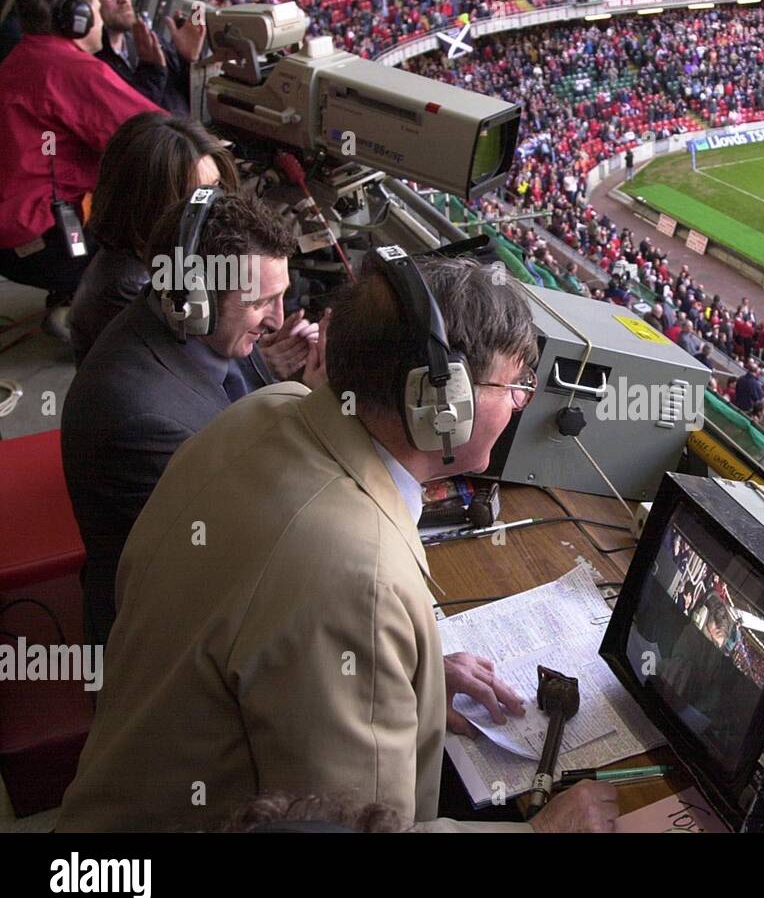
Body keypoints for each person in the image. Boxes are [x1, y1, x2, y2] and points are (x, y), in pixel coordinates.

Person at [58, 253, 618, 833]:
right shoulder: (356, 576)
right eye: (515, 386)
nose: (522, 402)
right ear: (441, 406)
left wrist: (407, 677)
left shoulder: (265, 410)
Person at [61, 192, 308, 647]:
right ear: (196, 297)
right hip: (171, 641)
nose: (277, 320)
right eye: (262, 302)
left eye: (282, 297)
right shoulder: (142, 421)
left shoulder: (194, 331)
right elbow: (243, 561)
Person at [0, 0, 160, 341]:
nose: (102, 18)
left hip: (14, 246)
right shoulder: (68, 68)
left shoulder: (21, 58)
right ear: (78, 18)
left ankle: (71, 295)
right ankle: (107, 317)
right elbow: (160, 135)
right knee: (161, 198)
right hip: (49, 242)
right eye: (96, 9)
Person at [68, 112, 240, 364]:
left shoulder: (174, 256)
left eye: (214, 188)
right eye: (193, 200)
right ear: (145, 204)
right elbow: (185, 376)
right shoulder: (126, 291)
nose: (215, 208)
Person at [93, 0, 203, 115]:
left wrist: (188, 60)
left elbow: (193, 101)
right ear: (91, 1)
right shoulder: (94, 60)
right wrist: (152, 71)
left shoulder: (148, 38)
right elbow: (128, 118)